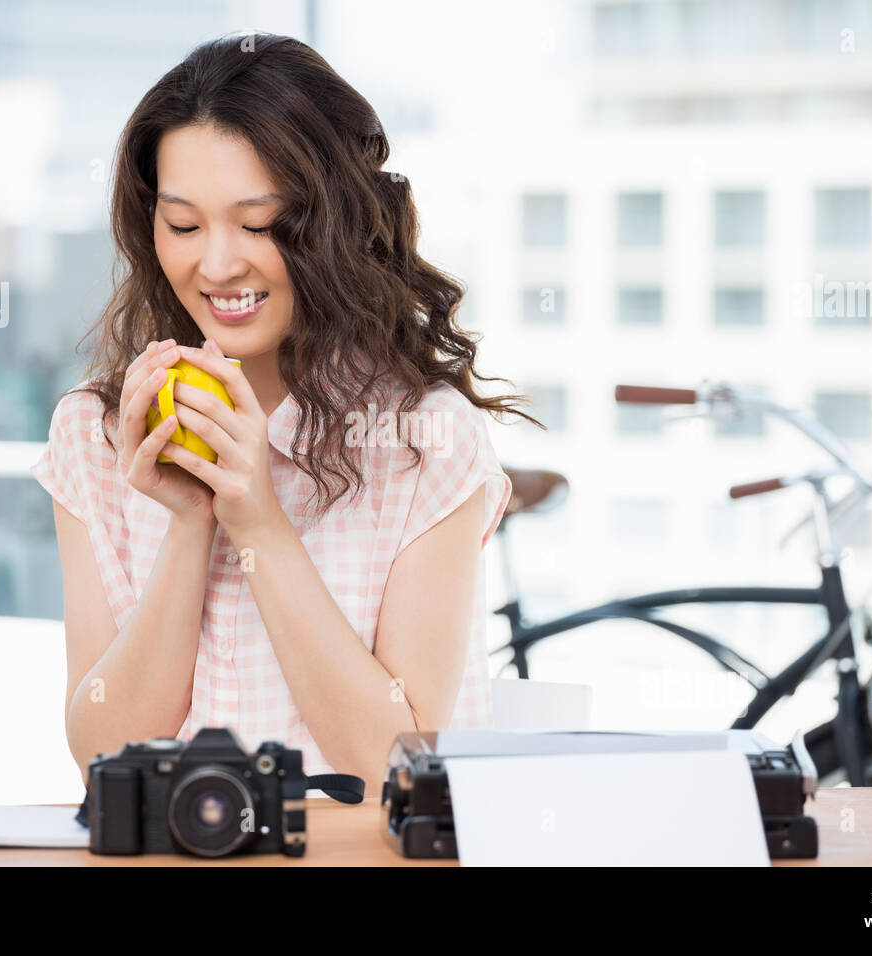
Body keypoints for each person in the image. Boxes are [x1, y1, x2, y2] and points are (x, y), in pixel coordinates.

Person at [31, 33, 540, 796]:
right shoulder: (98, 433)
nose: (218, 263)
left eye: (259, 222)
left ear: (333, 221)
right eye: (184, 224)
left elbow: (404, 771)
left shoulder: (427, 439)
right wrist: (192, 521)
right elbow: (104, 759)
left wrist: (260, 521)